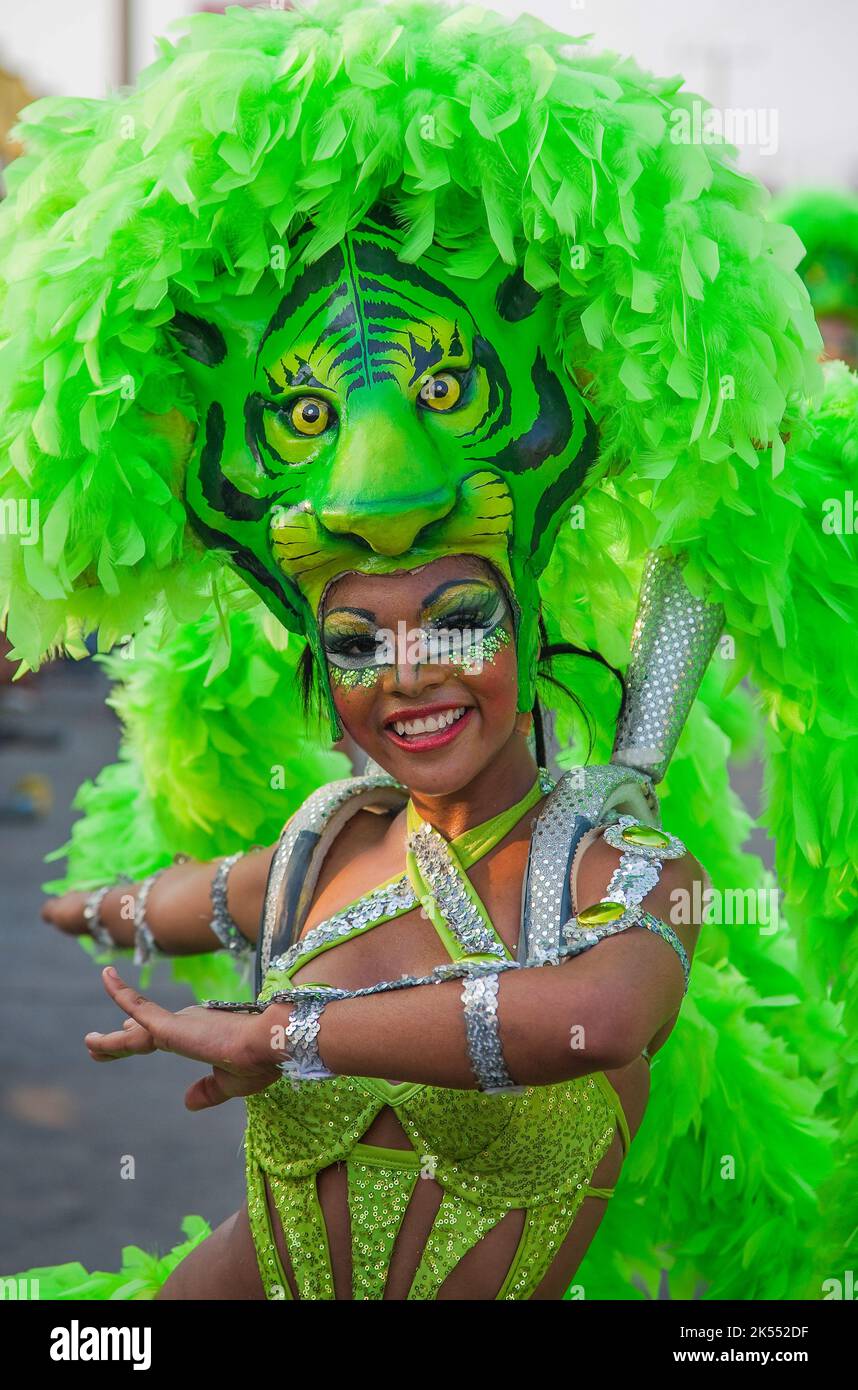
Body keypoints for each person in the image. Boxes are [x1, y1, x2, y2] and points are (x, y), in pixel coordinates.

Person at [2, 0, 855, 1300]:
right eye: (356, 639)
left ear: (531, 630)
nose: (407, 669)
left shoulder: (621, 868)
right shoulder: (312, 853)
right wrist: (96, 911)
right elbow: (147, 904)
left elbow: (595, 1018)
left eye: (458, 620)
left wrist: (282, 1031)